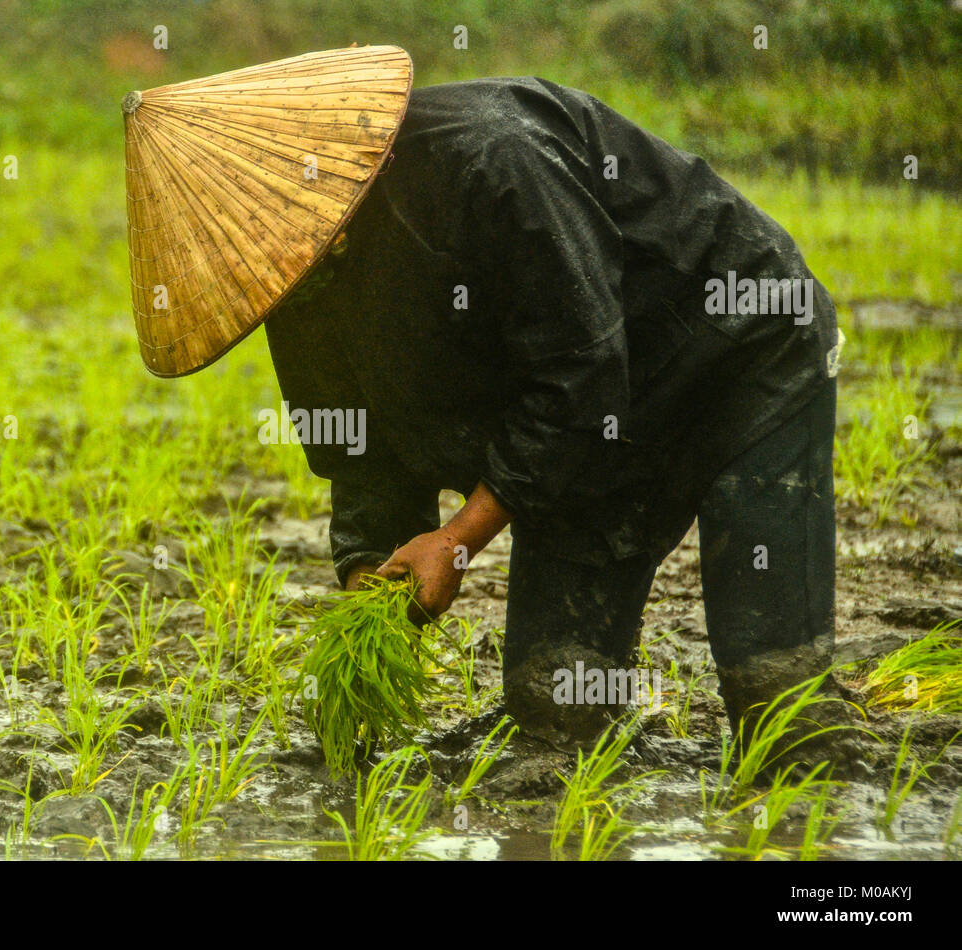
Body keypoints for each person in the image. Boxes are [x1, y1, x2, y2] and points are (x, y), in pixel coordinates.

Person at [122, 47, 851, 757]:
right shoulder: (299, 283)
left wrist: (458, 540)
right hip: (587, 434)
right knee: (555, 704)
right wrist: (371, 578)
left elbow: (581, 371)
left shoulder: (496, 159)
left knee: (778, 701)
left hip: (737, 353)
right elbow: (360, 445)